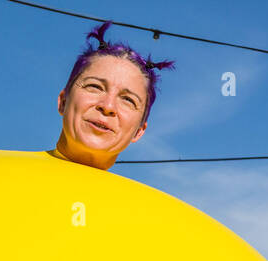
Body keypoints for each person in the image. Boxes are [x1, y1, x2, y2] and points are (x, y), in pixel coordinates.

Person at [47, 22, 174, 170]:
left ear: (139, 131)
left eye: (128, 100)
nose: (107, 106)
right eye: (94, 87)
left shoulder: (141, 194)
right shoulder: (13, 170)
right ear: (63, 101)